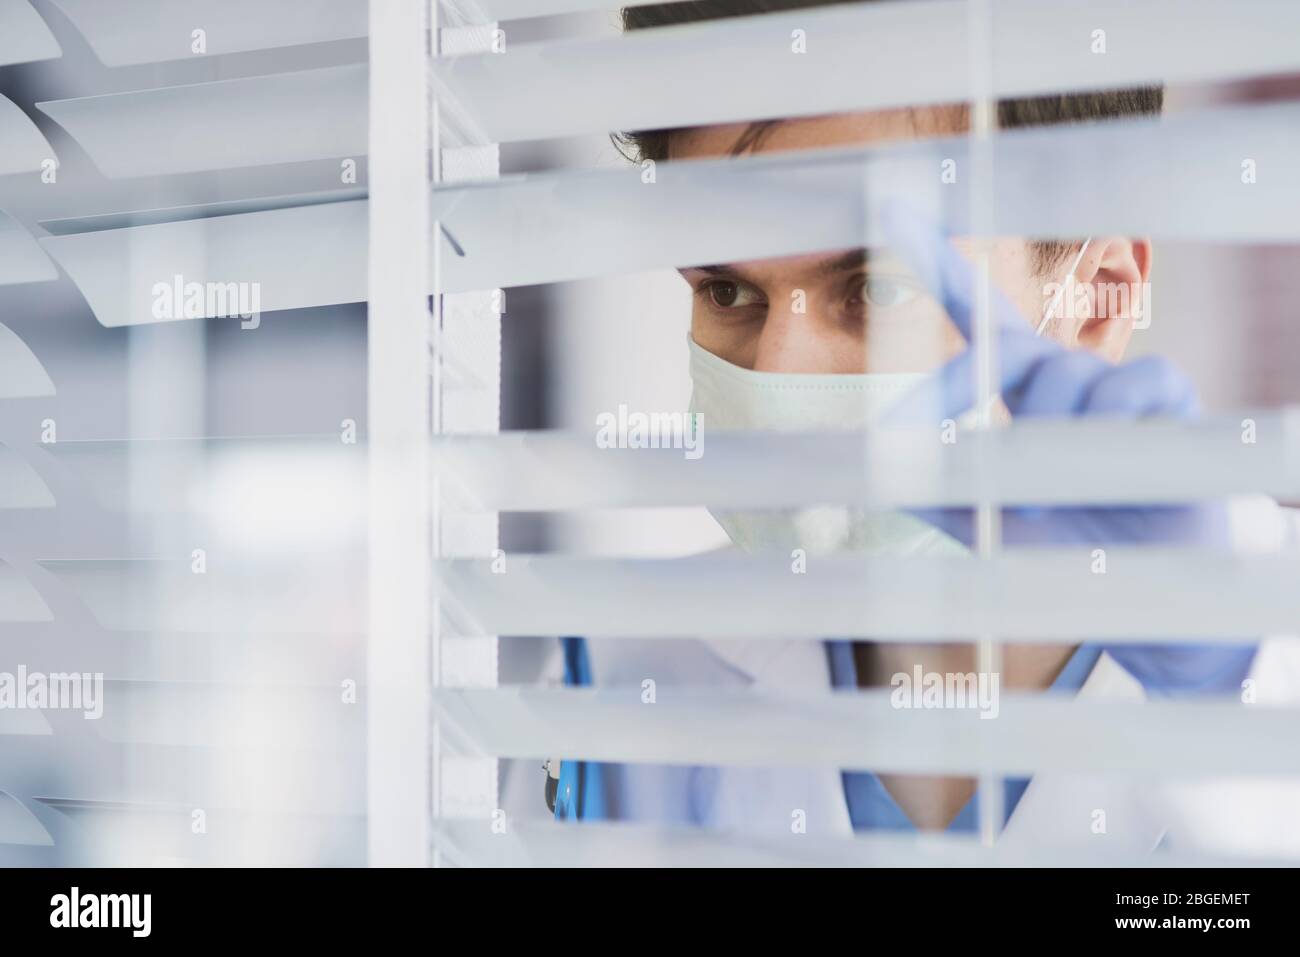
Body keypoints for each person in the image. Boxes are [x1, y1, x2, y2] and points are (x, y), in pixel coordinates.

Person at [519, 0, 1300, 856]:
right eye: (728, 291)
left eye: (878, 289)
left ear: (1096, 299)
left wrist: (1221, 704)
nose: (777, 376)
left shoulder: (1257, 660)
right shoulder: (615, 694)